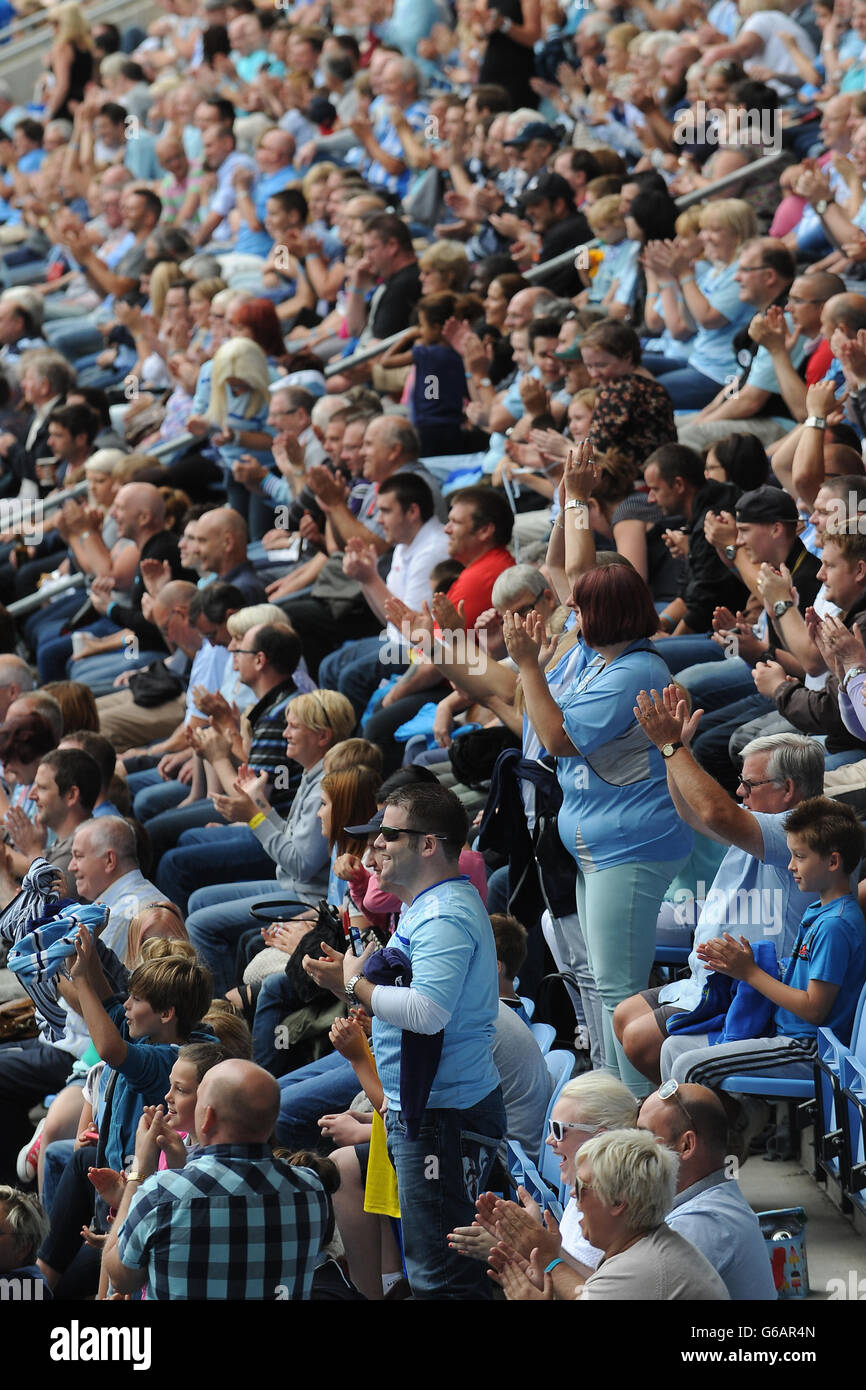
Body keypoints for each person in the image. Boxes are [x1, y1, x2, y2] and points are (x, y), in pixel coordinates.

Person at [303, 781, 506, 1300]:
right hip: (431, 1112)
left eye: (387, 836)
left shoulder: (443, 916)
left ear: (428, 844)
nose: (372, 849)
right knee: (439, 1265)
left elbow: (427, 1012)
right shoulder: (425, 905)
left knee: (440, 1276)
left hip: (445, 1119)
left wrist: (351, 984)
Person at [504, 561, 692, 1089]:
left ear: (605, 615)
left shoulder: (636, 672)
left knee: (618, 988)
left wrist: (528, 666)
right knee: (604, 984)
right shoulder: (600, 658)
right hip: (599, 848)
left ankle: (635, 1113)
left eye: (582, 608)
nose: (571, 614)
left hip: (632, 849)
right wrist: (575, 503)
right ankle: (617, 1093)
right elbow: (568, 574)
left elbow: (556, 738)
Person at [622, 702, 826, 1084]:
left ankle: (722, 1118)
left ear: (789, 790)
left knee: (642, 1040)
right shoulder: (765, 820)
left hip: (753, 991)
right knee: (625, 1017)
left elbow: (717, 814)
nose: (739, 790)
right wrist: (674, 754)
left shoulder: (803, 827)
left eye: (750, 784)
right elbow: (693, 812)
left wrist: (672, 748)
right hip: (718, 978)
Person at [661, 796, 866, 1088]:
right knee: (675, 1047)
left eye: (800, 857)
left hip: (810, 1049)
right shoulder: (820, 910)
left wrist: (749, 973)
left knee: (690, 1065)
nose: (792, 865)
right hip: (788, 1035)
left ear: (833, 861)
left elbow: (814, 1009)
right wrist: (746, 962)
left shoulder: (836, 925)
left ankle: (707, 1132)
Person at [105, 1060, 330, 1299]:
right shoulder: (311, 1189)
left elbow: (120, 1277)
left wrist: (139, 1171)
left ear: (208, 1117)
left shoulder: (161, 1194)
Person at [490, 1128, 729, 1299]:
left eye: (583, 1187)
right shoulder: (645, 1247)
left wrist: (547, 1264)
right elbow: (590, 1290)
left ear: (618, 1201)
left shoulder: (640, 1269)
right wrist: (549, 1262)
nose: (573, 1194)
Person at [636, 1083, 778, 1299]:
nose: (632, 1150)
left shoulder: (699, 1225)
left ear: (686, 1145)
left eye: (645, 1138)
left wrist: (562, 1263)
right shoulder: (710, 1201)